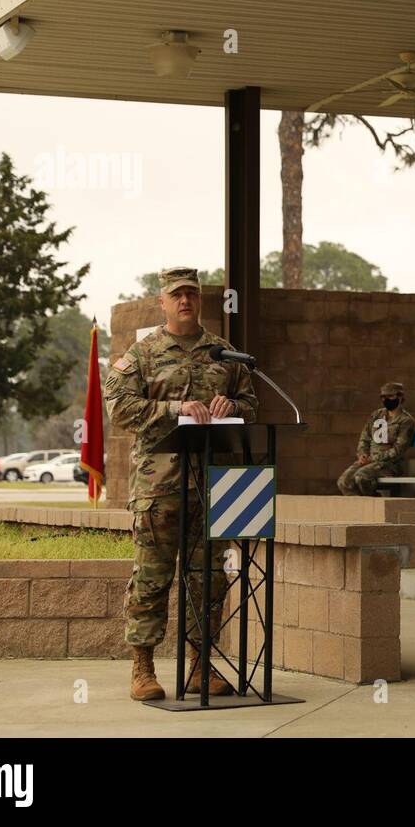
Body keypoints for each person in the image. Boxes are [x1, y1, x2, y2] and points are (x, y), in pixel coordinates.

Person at [103, 267, 259, 702]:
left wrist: (235, 404)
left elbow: (251, 402)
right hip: (160, 486)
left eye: (191, 293)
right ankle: (143, 667)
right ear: (163, 302)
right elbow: (118, 407)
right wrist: (175, 409)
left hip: (213, 485)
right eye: (177, 295)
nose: (185, 300)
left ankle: (198, 666)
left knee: (207, 578)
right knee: (152, 578)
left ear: (200, 300)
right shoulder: (144, 353)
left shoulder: (225, 354)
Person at [337, 382, 415, 494]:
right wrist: (362, 455)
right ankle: (363, 507)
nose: (386, 400)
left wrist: (373, 459)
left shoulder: (406, 421)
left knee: (361, 477)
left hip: (390, 465)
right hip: (368, 462)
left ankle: (373, 504)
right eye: (383, 397)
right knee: (344, 482)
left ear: (400, 397)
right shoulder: (376, 415)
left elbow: (398, 450)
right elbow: (365, 438)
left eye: (390, 396)